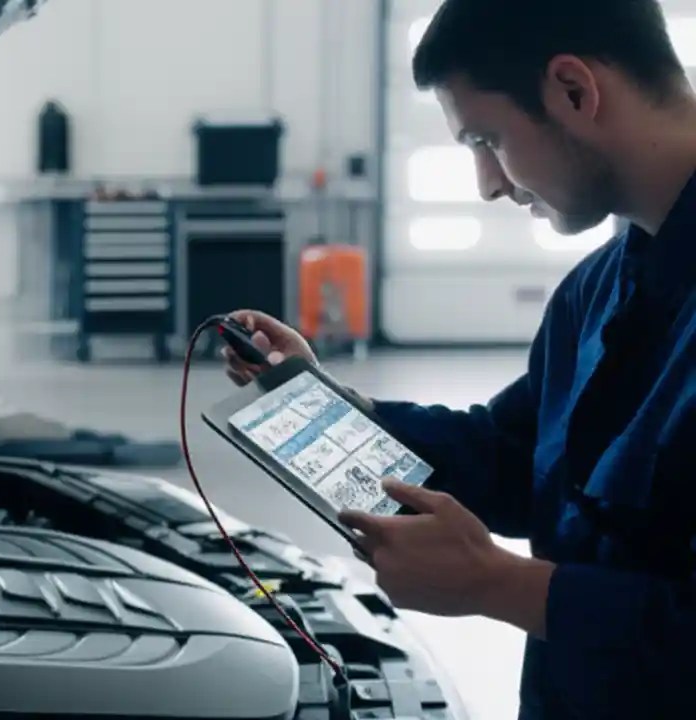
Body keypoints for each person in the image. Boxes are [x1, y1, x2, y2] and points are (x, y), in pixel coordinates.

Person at [225, 1, 696, 717]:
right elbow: (513, 456)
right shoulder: (595, 291)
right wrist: (322, 405)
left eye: (487, 139)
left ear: (574, 90)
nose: (488, 184)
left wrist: (497, 585)